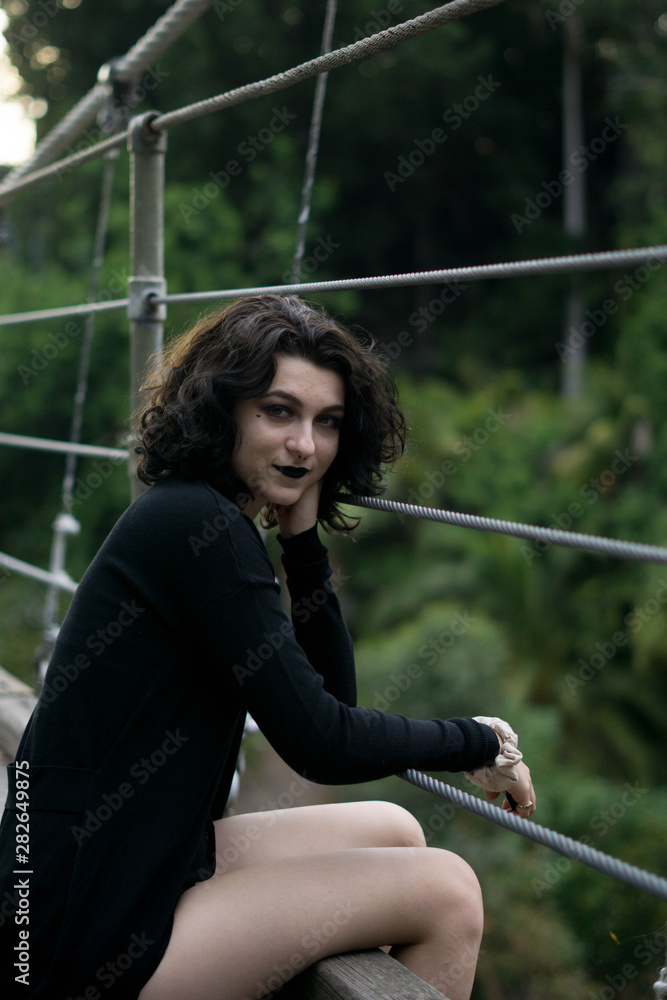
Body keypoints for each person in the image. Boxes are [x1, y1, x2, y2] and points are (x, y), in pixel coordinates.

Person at [0, 294, 535, 1000]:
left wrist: (301, 543)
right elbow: (321, 742)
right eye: (278, 412)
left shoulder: (192, 514)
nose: (304, 447)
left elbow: (330, 701)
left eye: (327, 422)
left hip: (123, 861)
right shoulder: (200, 528)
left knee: (394, 829)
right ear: (224, 411)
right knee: (449, 892)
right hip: (80, 932)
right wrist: (480, 740)